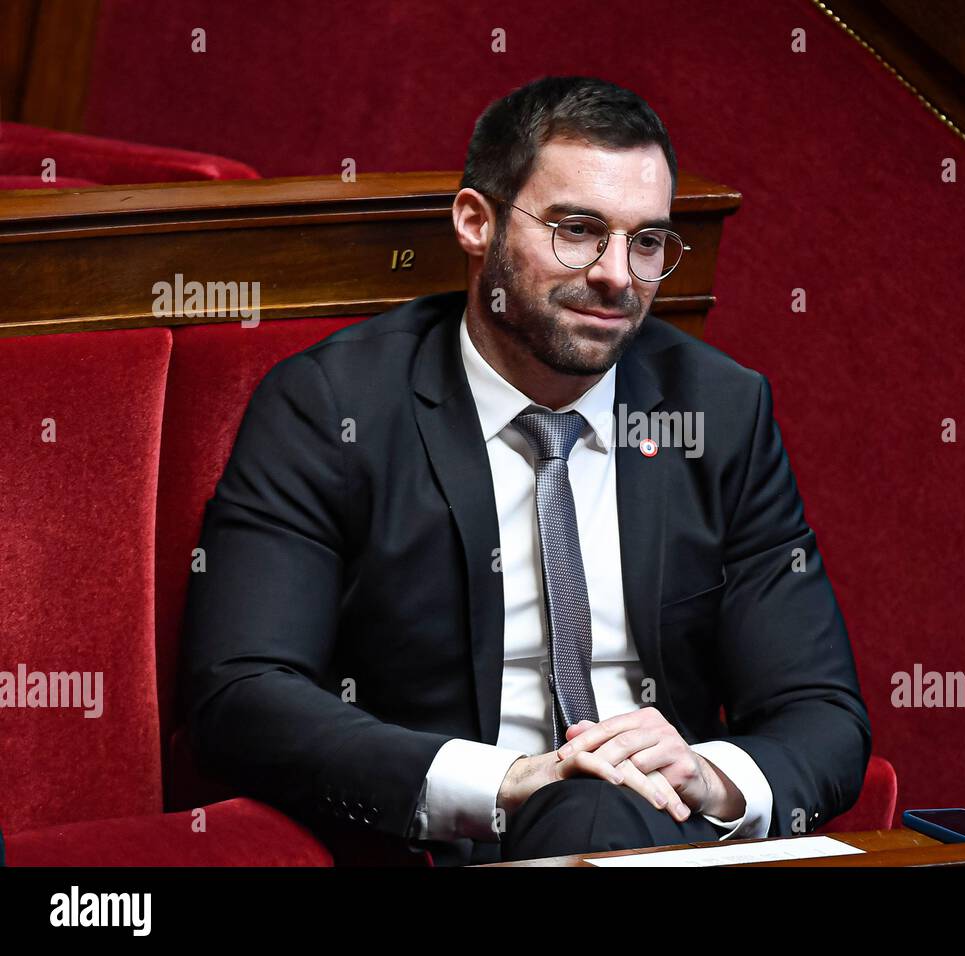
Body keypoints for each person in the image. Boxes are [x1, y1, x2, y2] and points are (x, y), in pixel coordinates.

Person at [181, 75, 870, 866]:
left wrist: (708, 776)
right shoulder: (334, 407)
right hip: (446, 841)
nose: (618, 275)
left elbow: (822, 712)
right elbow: (241, 695)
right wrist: (508, 781)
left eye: (646, 241)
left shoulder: (718, 412)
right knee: (582, 813)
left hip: (671, 838)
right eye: (578, 230)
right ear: (477, 223)